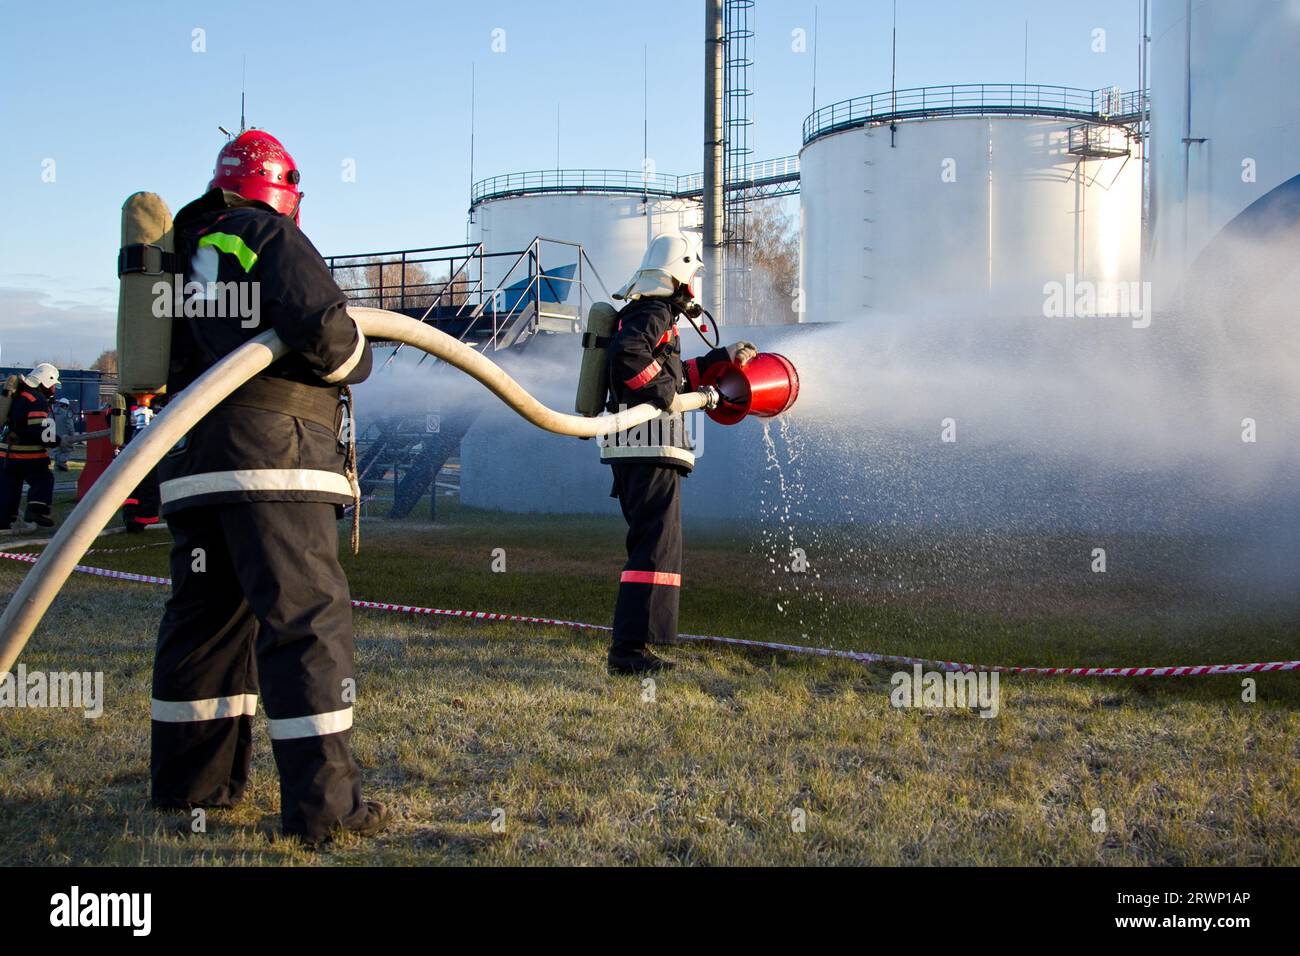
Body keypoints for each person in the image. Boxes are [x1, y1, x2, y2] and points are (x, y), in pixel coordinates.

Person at [149, 128, 385, 845]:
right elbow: (327, 334)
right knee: (305, 626)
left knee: (207, 627)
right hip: (273, 461)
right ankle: (326, 811)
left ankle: (193, 789)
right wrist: (359, 358)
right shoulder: (262, 230)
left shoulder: (184, 253)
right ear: (283, 189)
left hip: (195, 464)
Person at [601, 235, 755, 675]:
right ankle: (628, 654)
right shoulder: (653, 311)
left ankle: (633, 648)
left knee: (653, 543)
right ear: (678, 274)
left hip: (642, 445)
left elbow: (672, 373)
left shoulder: (653, 314)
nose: (694, 287)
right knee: (655, 545)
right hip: (646, 444)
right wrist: (664, 391)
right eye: (692, 276)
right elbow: (629, 358)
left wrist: (718, 360)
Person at [0, 363, 60, 530]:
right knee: (43, 479)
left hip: (6, 453)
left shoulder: (18, 394)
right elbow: (37, 429)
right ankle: (37, 510)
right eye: (53, 384)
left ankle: (3, 521)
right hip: (29, 454)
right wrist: (57, 441)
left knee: (9, 487)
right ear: (46, 381)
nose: (53, 389)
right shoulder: (36, 399)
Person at [120, 395, 161, 533]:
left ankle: (131, 517)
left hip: (129, 444)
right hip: (149, 444)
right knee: (148, 483)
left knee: (131, 485)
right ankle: (141, 519)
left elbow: (113, 417)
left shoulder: (125, 396)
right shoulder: (158, 397)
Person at [51, 398, 75, 471]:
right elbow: (70, 426)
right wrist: (72, 435)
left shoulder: (52, 413)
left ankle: (58, 465)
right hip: (65, 437)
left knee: (56, 451)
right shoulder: (66, 414)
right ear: (65, 406)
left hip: (53, 436)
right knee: (67, 451)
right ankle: (61, 463)